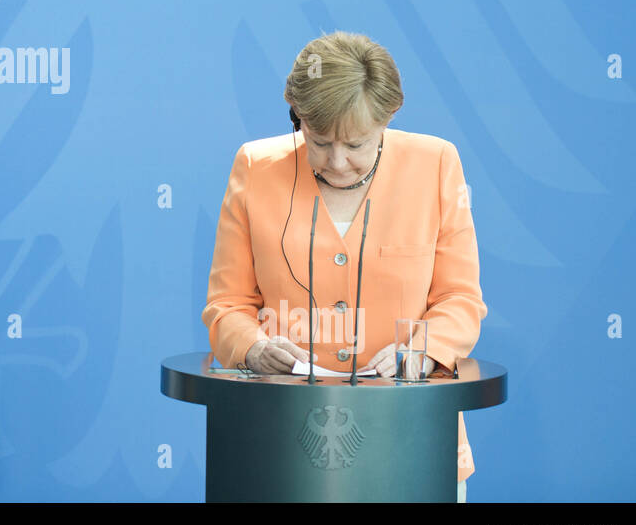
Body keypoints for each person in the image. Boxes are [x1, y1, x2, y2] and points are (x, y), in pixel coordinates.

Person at [202, 31, 486, 500]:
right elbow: (227, 303)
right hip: (281, 444)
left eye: (356, 144)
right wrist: (252, 347)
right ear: (298, 118)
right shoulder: (255, 166)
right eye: (318, 142)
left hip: (414, 440)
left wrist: (422, 351)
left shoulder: (435, 163)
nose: (337, 162)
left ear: (387, 118)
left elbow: (459, 299)